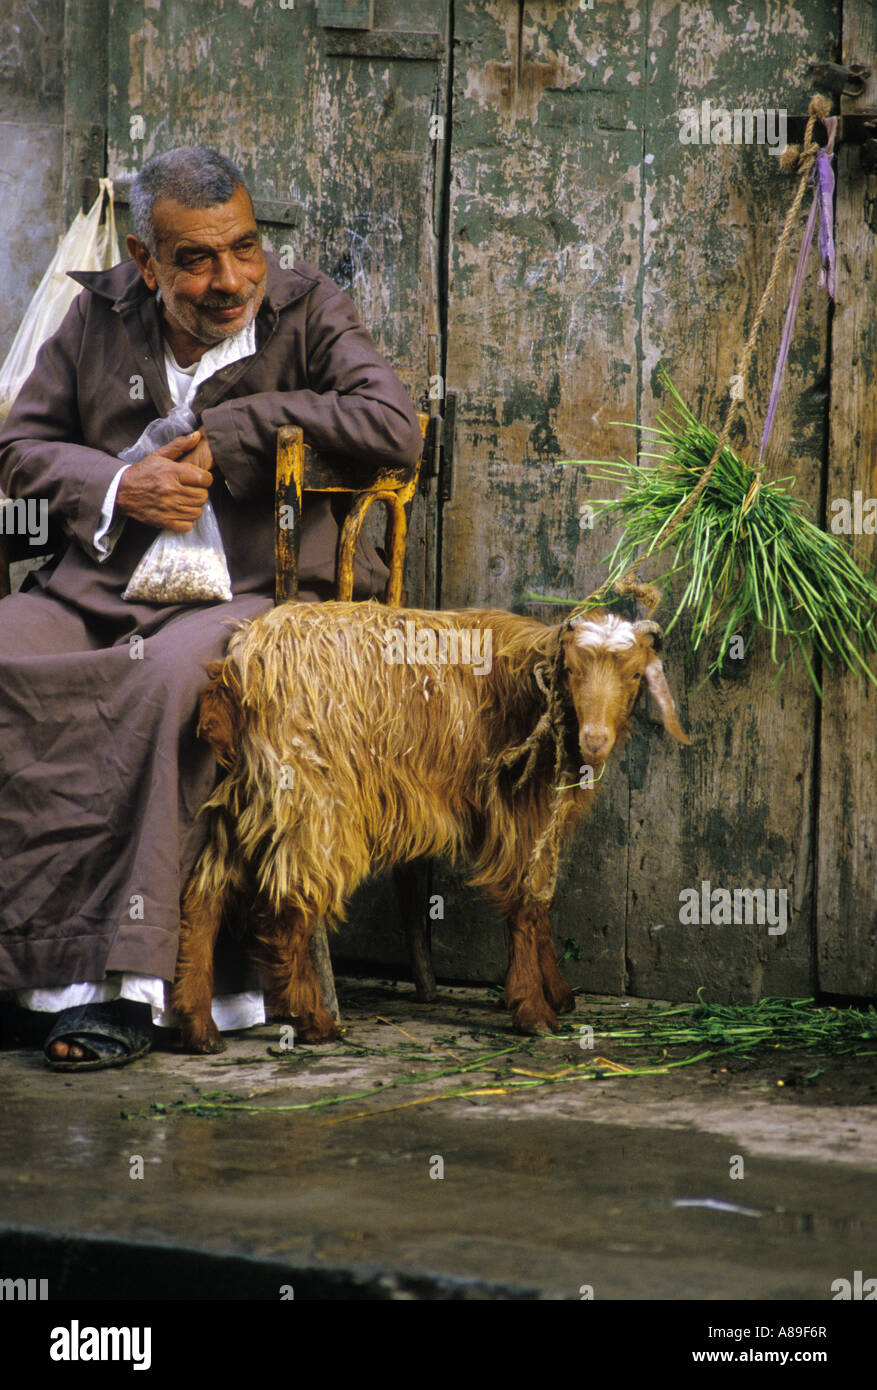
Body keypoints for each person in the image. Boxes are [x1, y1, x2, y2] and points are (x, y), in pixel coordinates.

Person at [0, 146, 422, 1069]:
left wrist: (234, 428)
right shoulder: (98, 314)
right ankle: (26, 976)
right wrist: (118, 486)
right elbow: (19, 448)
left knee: (176, 689)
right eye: (195, 260)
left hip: (260, 596)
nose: (228, 278)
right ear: (146, 264)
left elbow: (393, 426)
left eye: (243, 248)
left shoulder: (305, 310)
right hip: (103, 592)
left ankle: (131, 990)